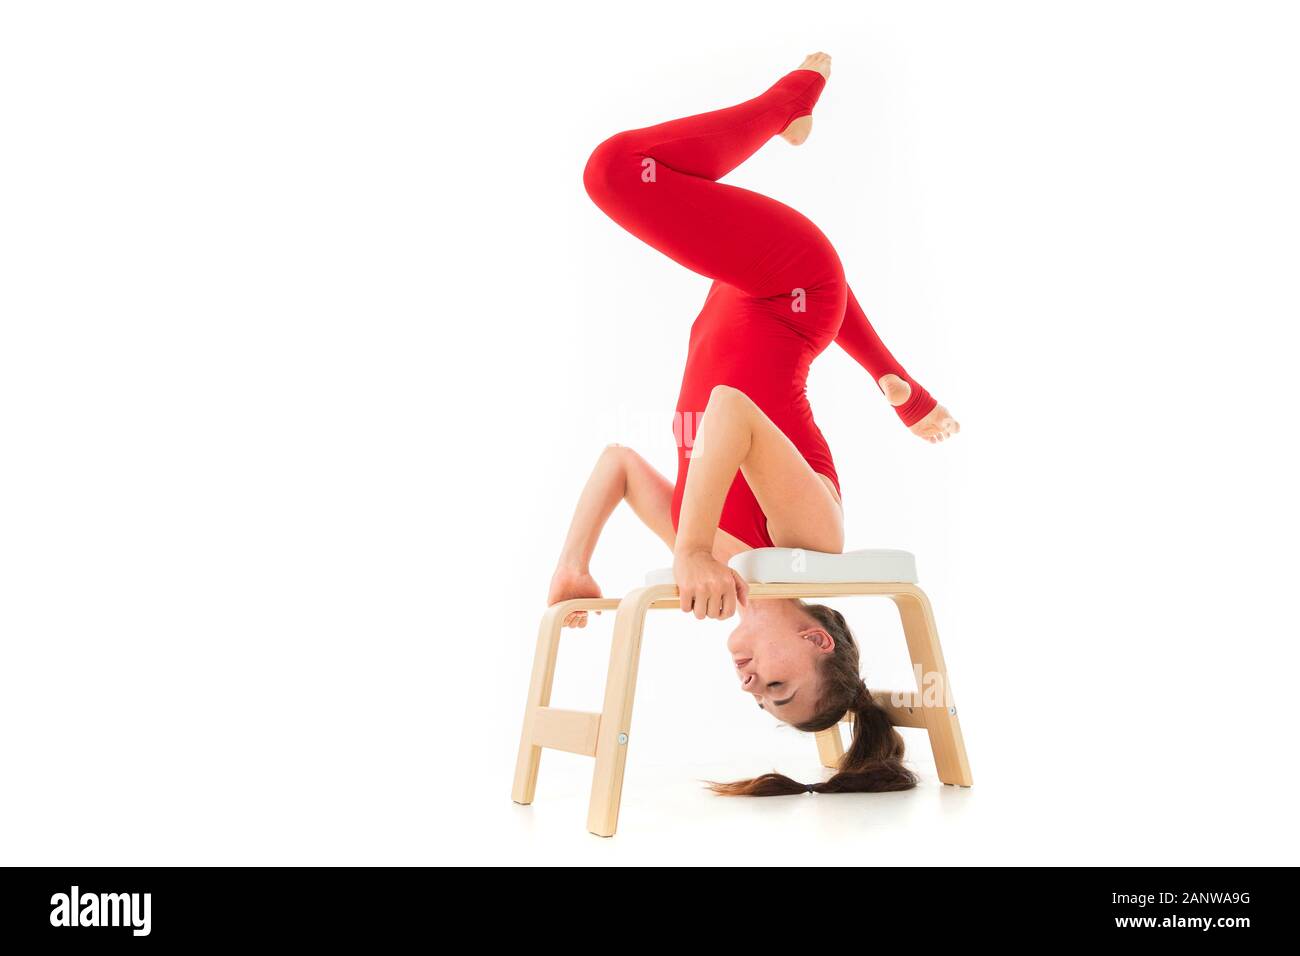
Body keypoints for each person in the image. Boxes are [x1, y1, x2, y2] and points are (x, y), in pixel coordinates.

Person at [548, 54, 958, 796]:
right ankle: (789, 101)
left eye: (762, 700)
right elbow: (732, 406)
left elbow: (617, 464)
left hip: (756, 299)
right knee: (616, 171)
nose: (751, 686)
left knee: (656, 181)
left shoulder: (721, 568)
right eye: (779, 688)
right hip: (791, 282)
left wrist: (573, 563)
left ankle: (897, 384)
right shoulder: (811, 545)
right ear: (815, 640)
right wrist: (693, 545)